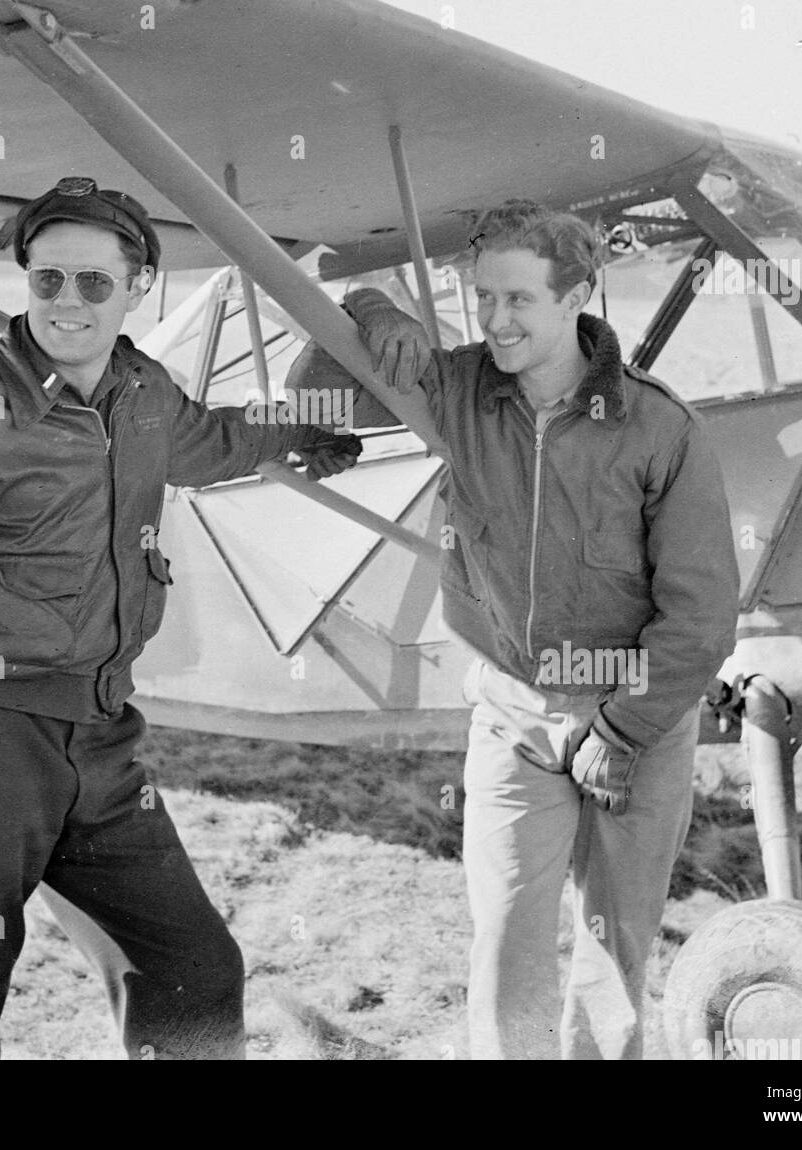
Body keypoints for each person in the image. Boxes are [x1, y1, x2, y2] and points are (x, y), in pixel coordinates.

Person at [0, 176, 361, 1060]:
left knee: (194, 969)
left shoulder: (140, 390)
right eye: (47, 281)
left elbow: (209, 440)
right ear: (26, 280)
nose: (66, 304)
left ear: (139, 285)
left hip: (102, 740)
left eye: (93, 284)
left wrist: (298, 429)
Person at [286, 199, 739, 1059]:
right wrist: (374, 310)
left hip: (634, 721)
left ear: (576, 296)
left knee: (613, 951)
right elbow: (311, 397)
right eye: (482, 298)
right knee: (503, 940)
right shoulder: (456, 387)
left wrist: (623, 727)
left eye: (518, 300)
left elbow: (701, 613)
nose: (494, 322)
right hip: (511, 713)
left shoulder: (658, 427)